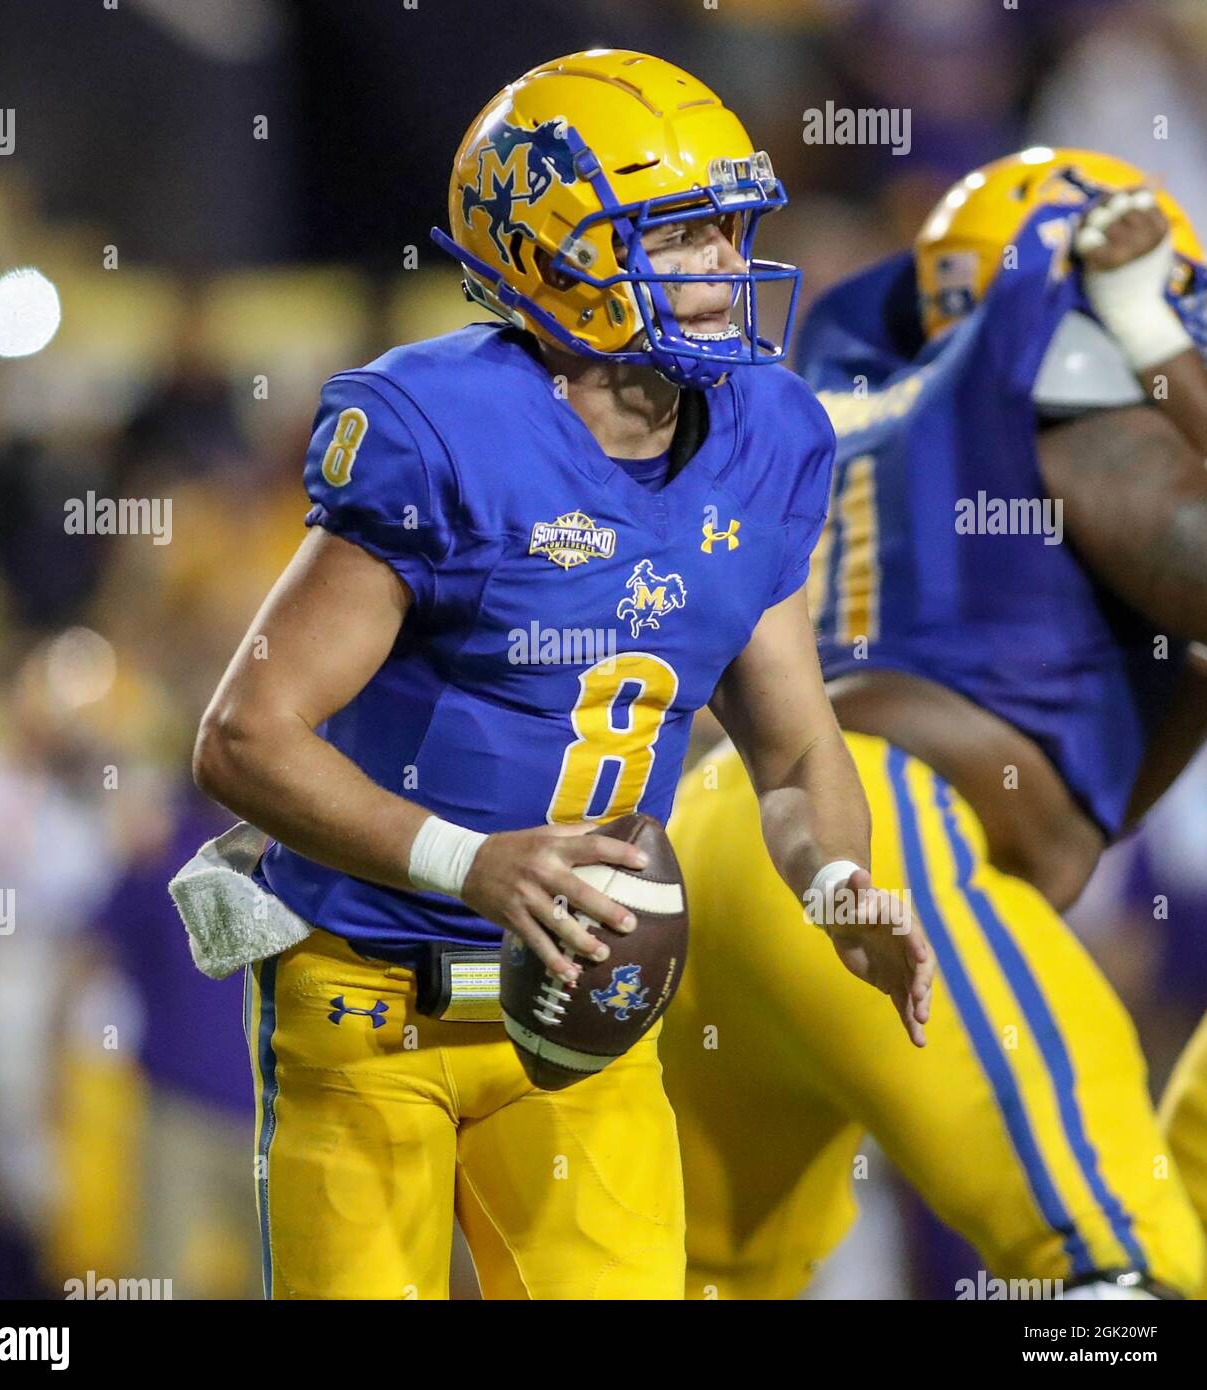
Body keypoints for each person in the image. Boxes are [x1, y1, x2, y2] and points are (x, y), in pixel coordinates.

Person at [190, 48, 931, 1300]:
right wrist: (469, 861)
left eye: (725, 228)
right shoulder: (443, 430)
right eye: (679, 235)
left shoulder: (769, 437)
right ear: (550, 256)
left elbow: (798, 748)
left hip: (590, 1008)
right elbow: (243, 736)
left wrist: (838, 880)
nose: (721, 267)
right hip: (369, 999)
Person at [660, 149, 1207, 1300]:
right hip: (881, 837)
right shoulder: (1076, 379)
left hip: (733, 837)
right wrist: (1157, 349)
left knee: (688, 1278)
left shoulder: (875, 391)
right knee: (1114, 1275)